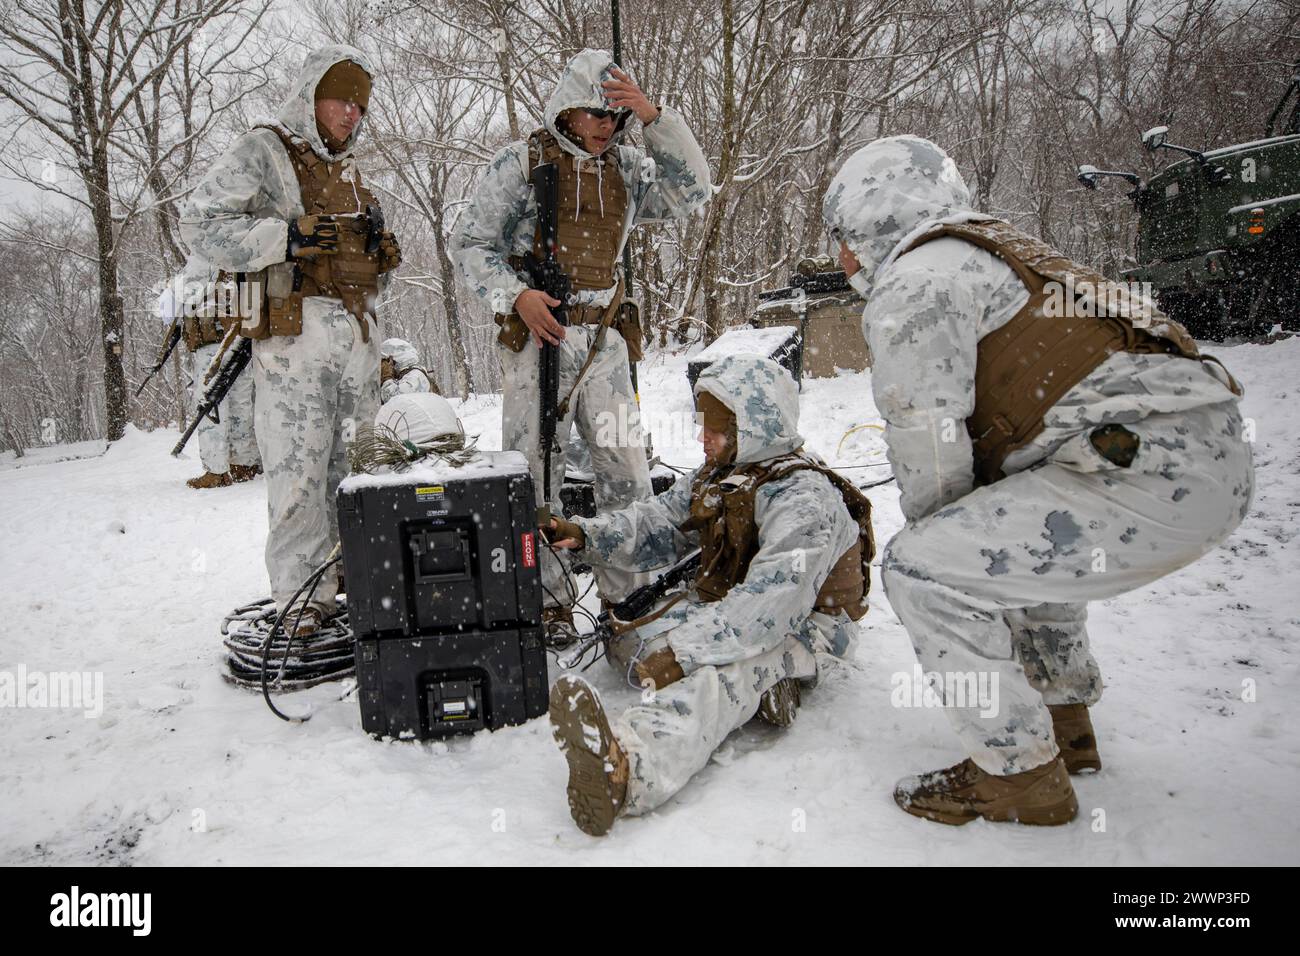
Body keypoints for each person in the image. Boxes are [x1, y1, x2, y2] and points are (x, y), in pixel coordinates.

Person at [822, 135, 1254, 826]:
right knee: (1004, 535)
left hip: (1146, 470)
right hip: (1199, 458)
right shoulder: (995, 251)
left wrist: (943, 545)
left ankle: (1016, 772)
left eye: (842, 235)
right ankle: (1063, 719)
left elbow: (926, 438)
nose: (841, 258)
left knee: (929, 568)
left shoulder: (917, 281)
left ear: (876, 216)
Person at [545, 355, 874, 836]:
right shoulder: (720, 475)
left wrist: (685, 654)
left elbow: (771, 606)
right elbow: (658, 524)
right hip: (742, 604)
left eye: (716, 428)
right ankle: (767, 692)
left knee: (720, 670)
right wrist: (583, 534)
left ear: (754, 425)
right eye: (704, 425)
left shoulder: (805, 500)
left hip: (808, 627)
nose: (704, 438)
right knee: (629, 638)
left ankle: (629, 769)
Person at [449, 48, 710, 636]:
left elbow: (693, 191)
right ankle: (547, 601)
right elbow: (468, 245)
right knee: (534, 473)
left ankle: (630, 597)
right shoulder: (521, 163)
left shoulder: (628, 169)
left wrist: (654, 117)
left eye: (613, 117)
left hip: (606, 345)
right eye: (595, 114)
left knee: (626, 471)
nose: (604, 127)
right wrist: (515, 294)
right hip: (539, 336)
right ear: (566, 109)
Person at [180, 46, 401, 636]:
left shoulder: (352, 172)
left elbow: (358, 259)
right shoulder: (265, 151)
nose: (353, 114)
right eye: (341, 100)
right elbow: (198, 223)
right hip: (294, 335)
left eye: (361, 105)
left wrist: (381, 256)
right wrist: (285, 237)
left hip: (357, 338)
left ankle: (358, 574)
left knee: (358, 467)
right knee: (298, 472)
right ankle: (303, 596)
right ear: (311, 97)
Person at [156, 259, 261, 489]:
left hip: (214, 341)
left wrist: (170, 286)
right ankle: (243, 463)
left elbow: (172, 301)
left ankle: (216, 471)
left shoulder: (205, 253)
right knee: (240, 403)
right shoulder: (242, 250)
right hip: (242, 338)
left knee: (209, 403)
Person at [379, 337, 441, 402]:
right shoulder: (409, 376)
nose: (382, 366)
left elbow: (393, 400)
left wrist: (386, 377)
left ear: (393, 360)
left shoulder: (415, 376)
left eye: (385, 361)